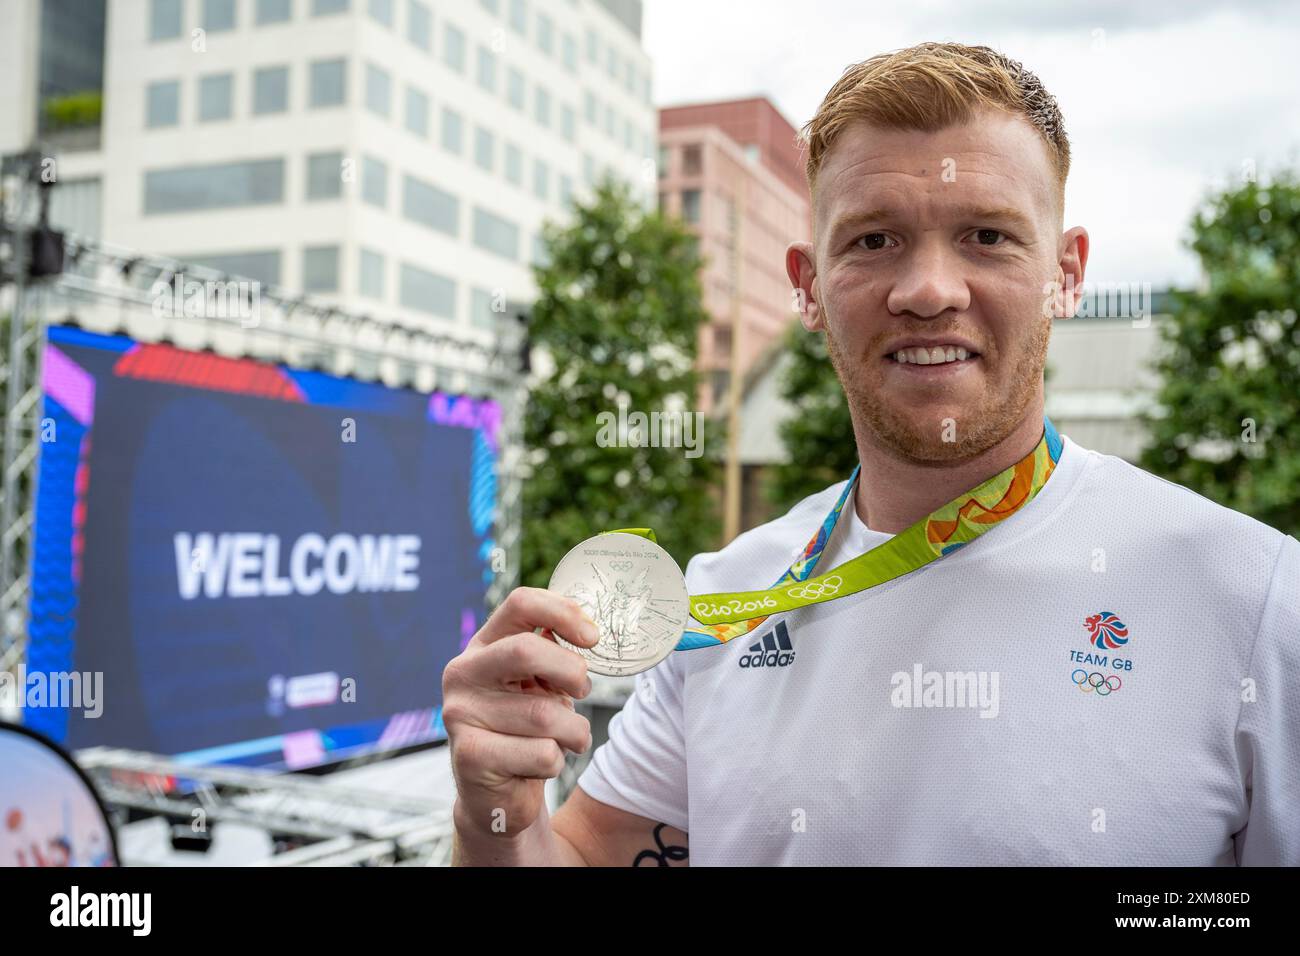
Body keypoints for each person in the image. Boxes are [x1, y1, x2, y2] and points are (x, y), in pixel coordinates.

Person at [443, 42, 1299, 866]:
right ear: (810, 286)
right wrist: (497, 820)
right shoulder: (723, 604)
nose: (928, 289)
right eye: (874, 240)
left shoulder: (1254, 600)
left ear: (1066, 275)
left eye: (988, 236)